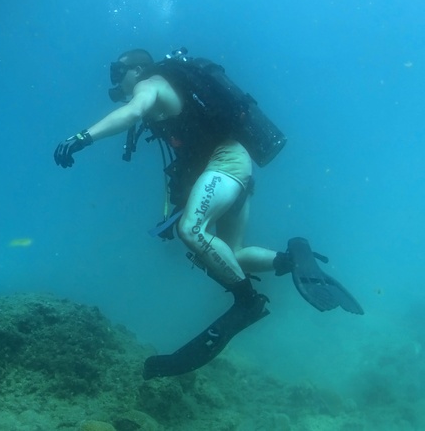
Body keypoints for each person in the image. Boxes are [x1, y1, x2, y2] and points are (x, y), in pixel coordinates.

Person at [53, 47, 363, 379]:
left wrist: (82, 137)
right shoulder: (167, 88)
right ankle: (292, 257)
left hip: (225, 161)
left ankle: (247, 302)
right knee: (233, 254)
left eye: (119, 71)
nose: (117, 79)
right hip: (230, 169)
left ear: (138, 69)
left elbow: (131, 113)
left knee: (193, 231)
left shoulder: (150, 83)